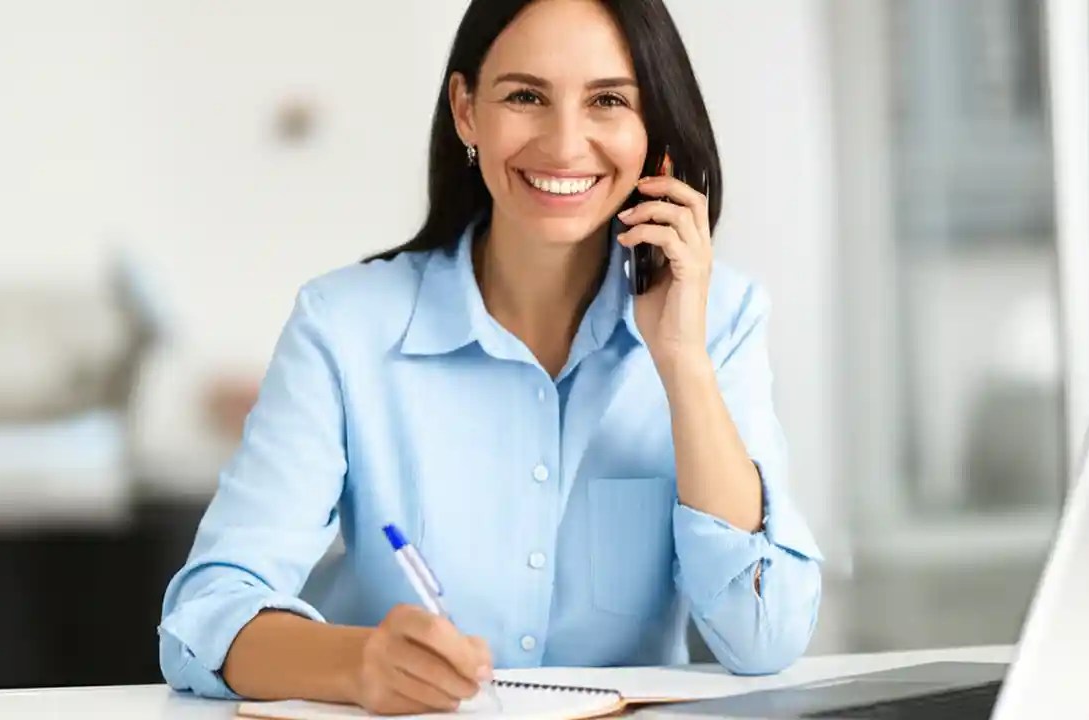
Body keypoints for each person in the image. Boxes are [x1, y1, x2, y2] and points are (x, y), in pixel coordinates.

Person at [158, 0, 823, 714]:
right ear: (467, 110)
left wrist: (682, 362)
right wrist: (360, 665)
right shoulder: (345, 327)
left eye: (608, 101)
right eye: (526, 96)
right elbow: (206, 616)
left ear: (652, 129)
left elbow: (765, 634)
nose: (567, 145)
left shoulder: (720, 321)